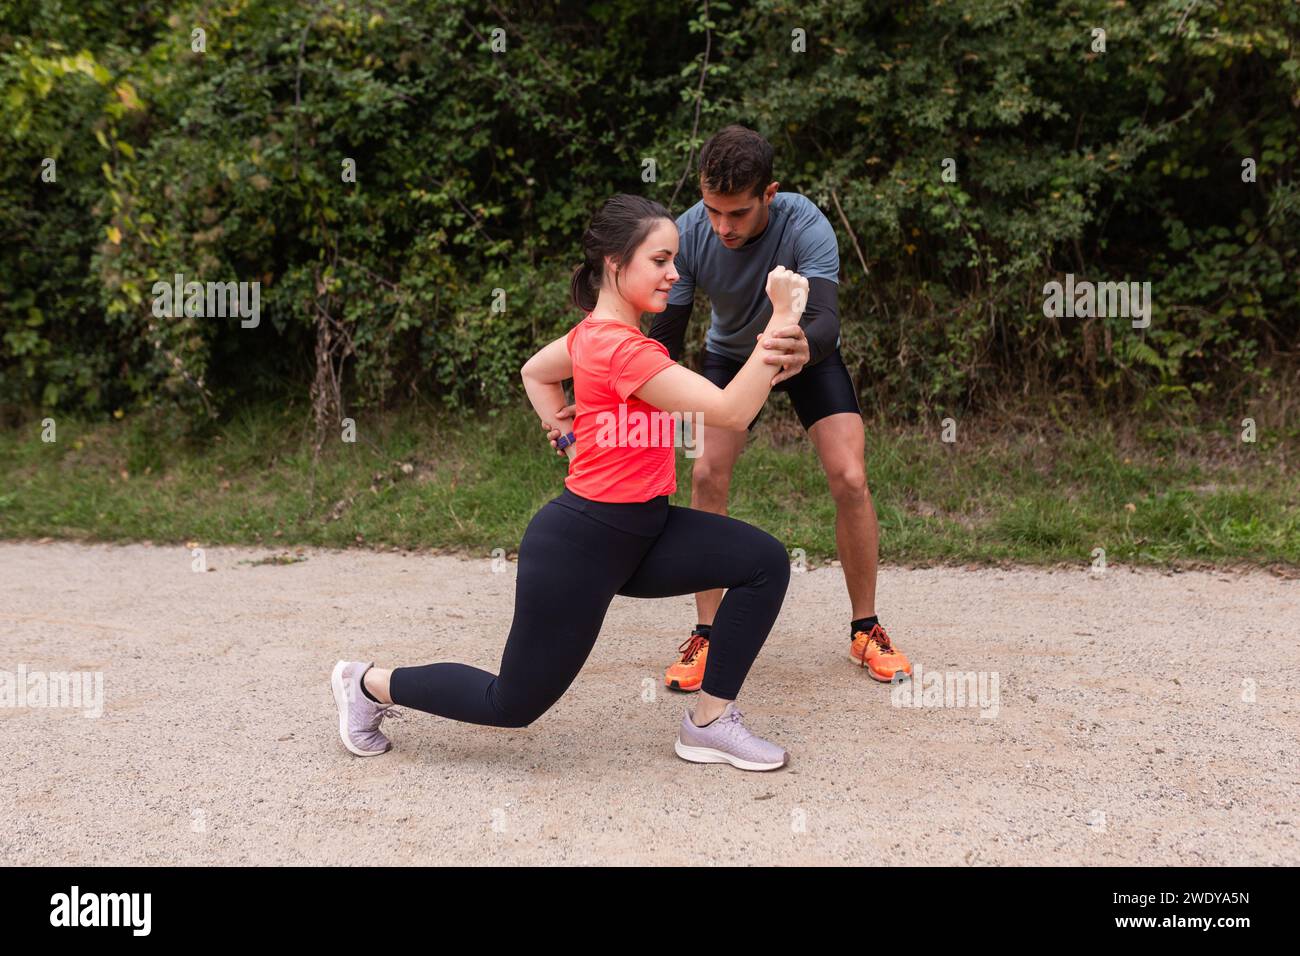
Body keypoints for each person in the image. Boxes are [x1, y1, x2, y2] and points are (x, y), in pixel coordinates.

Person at [332, 193, 809, 771]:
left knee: (762, 562)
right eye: (660, 260)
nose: (674, 273)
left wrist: (560, 426)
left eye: (674, 260)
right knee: (511, 703)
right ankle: (367, 684)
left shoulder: (595, 334)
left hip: (645, 531)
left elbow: (536, 370)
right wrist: (781, 317)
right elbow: (731, 411)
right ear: (616, 263)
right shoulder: (621, 348)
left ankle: (708, 721)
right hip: (582, 545)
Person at [545, 125, 912, 690]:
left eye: (737, 213)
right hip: (729, 360)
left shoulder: (804, 221)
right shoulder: (687, 233)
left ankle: (866, 627)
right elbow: (662, 335)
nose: (723, 227)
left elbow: (829, 320)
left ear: (769, 194)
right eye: (714, 210)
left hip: (803, 352)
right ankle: (706, 633)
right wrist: (598, 398)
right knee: (708, 473)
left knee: (851, 476)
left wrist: (800, 348)